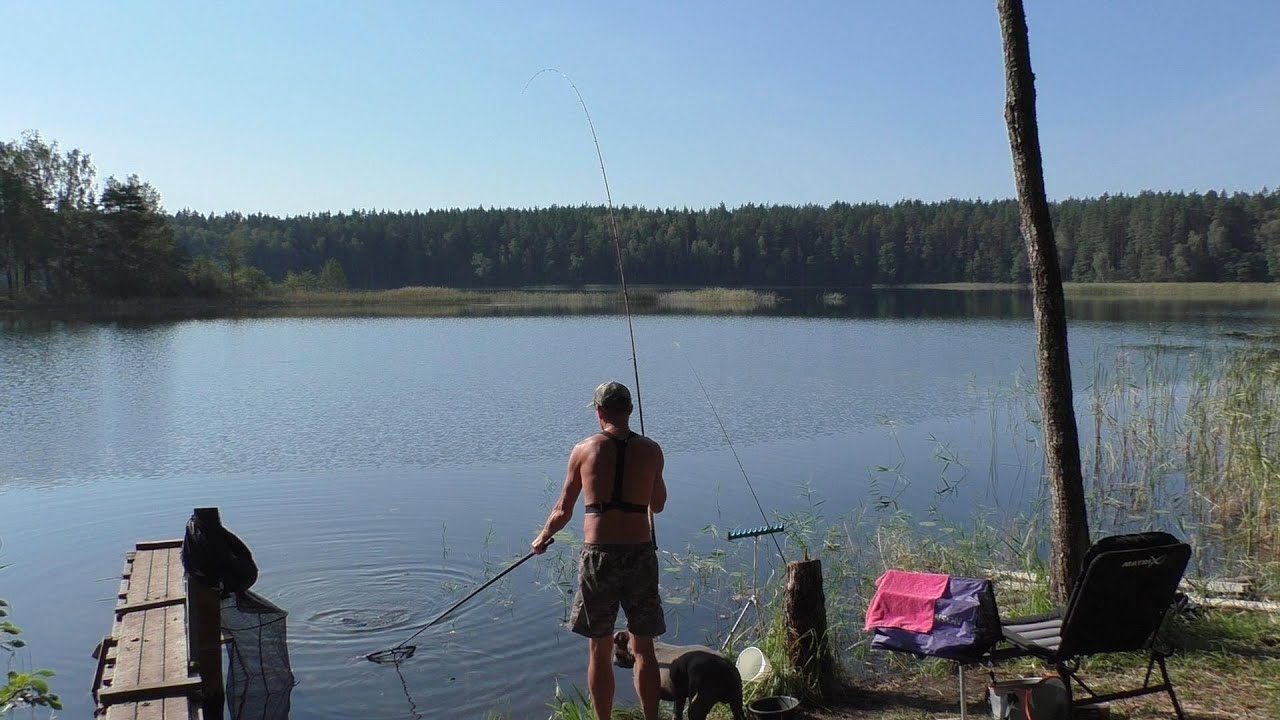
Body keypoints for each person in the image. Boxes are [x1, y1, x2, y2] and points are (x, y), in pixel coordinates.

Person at [532, 380, 667, 720]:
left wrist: (543, 537)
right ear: (630, 410)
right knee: (644, 647)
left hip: (599, 557)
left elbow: (563, 509)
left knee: (599, 646)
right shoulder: (652, 450)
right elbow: (659, 505)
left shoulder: (584, 450)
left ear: (600, 411)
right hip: (640, 552)